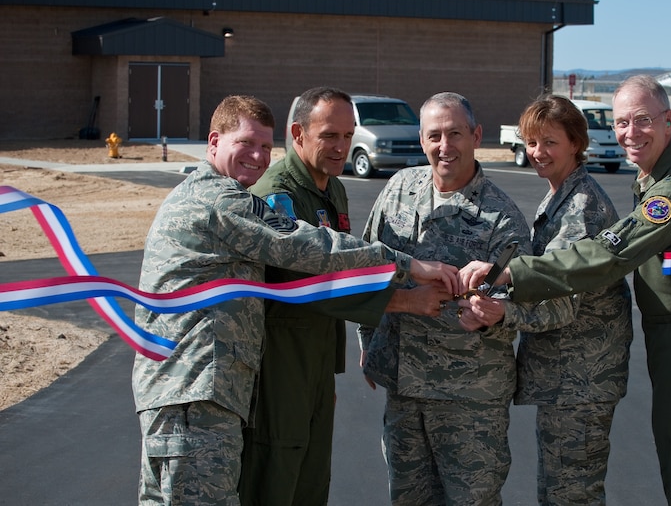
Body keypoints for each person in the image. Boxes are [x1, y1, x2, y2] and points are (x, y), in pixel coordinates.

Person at [132, 94, 459, 505]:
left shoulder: (222, 193)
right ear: (213, 142)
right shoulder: (219, 201)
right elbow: (307, 248)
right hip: (194, 394)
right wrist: (408, 268)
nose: (257, 156)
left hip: (201, 392)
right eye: (245, 143)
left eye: (265, 147)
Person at [461, 75, 671, 506]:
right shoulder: (656, 177)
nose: (630, 133)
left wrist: (510, 276)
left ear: (669, 121)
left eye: (642, 121)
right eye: (621, 123)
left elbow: (604, 257)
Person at [238, 87, 452, 505]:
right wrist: (405, 301)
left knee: (313, 476)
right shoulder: (277, 194)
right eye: (329, 135)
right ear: (298, 133)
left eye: (348, 135)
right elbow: (302, 285)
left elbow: (347, 268)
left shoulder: (329, 187)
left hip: (313, 360)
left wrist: (324, 373)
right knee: (277, 471)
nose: (341, 147)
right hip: (282, 360)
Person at [358, 92, 574, 505]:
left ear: (475, 136)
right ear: (421, 140)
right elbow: (370, 268)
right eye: (434, 135)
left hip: (469, 401)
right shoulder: (399, 189)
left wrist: (499, 313)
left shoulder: (501, 217)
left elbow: (543, 304)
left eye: (455, 133)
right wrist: (368, 343)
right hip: (403, 394)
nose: (445, 146)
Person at [514, 94, 633, 504]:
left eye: (550, 142)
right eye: (531, 142)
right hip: (568, 380)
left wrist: (498, 310)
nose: (537, 152)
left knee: (572, 494)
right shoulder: (562, 193)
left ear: (575, 143)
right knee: (559, 489)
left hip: (580, 381)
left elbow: (558, 299)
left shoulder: (580, 206)